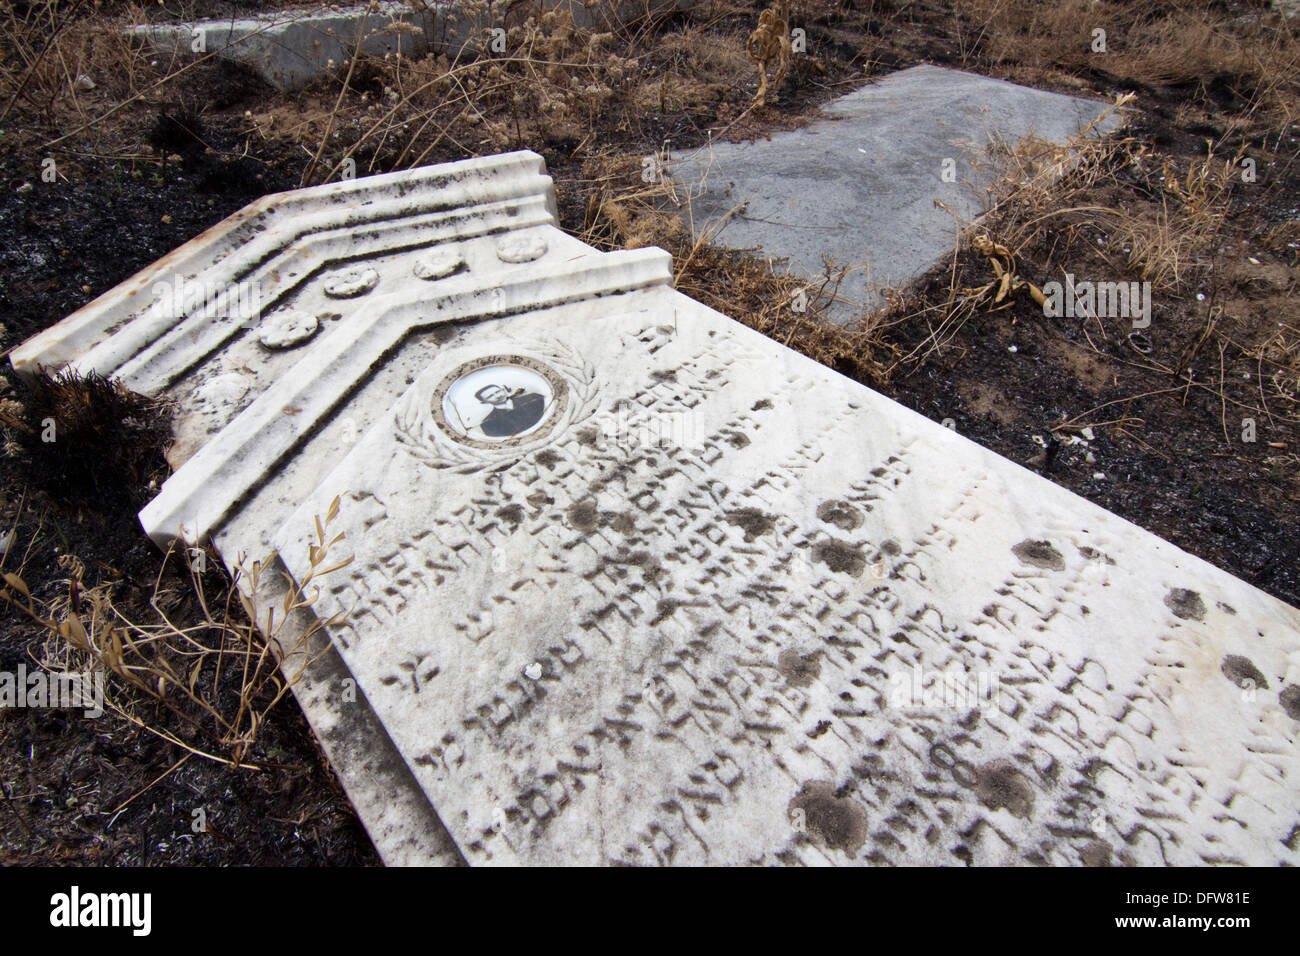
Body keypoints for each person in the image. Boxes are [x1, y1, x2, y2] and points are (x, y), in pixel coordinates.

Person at [474, 383, 546, 437]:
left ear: (504, 390)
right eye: (490, 396)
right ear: (484, 402)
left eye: (498, 392)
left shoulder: (533, 397)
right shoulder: (488, 425)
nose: (498, 396)